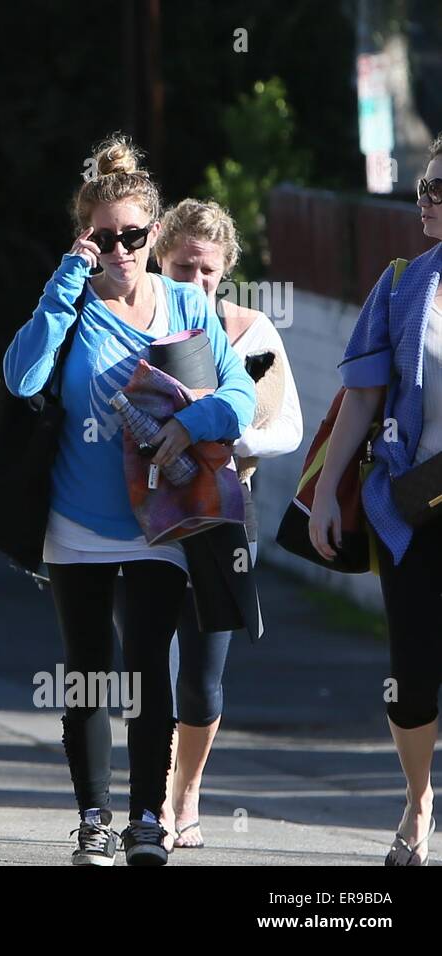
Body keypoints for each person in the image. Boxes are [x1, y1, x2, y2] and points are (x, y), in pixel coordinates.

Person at [3, 135, 255, 866]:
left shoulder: (183, 301)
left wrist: (188, 422)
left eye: (133, 237)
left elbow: (238, 394)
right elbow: (21, 379)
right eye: (103, 239)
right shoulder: (73, 297)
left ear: (153, 231)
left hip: (162, 522)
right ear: (85, 238)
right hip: (77, 518)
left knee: (149, 664)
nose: (119, 251)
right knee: (87, 666)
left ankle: (148, 818)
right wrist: (63, 281)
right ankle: (93, 820)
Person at [150, 199, 303, 848]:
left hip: (226, 514)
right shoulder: (136, 320)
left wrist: (225, 444)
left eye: (208, 270)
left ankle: (188, 792)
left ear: (227, 268)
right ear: (160, 259)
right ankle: (149, 797)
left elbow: (288, 427)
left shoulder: (250, 333)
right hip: (147, 517)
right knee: (149, 661)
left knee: (204, 670)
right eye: (183, 268)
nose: (196, 282)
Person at [310, 134, 442, 866]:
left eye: (438, 189)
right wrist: (328, 493)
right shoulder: (400, 285)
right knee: (413, 667)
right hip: (413, 507)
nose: (424, 198)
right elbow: (360, 400)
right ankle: (419, 800)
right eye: (423, 186)